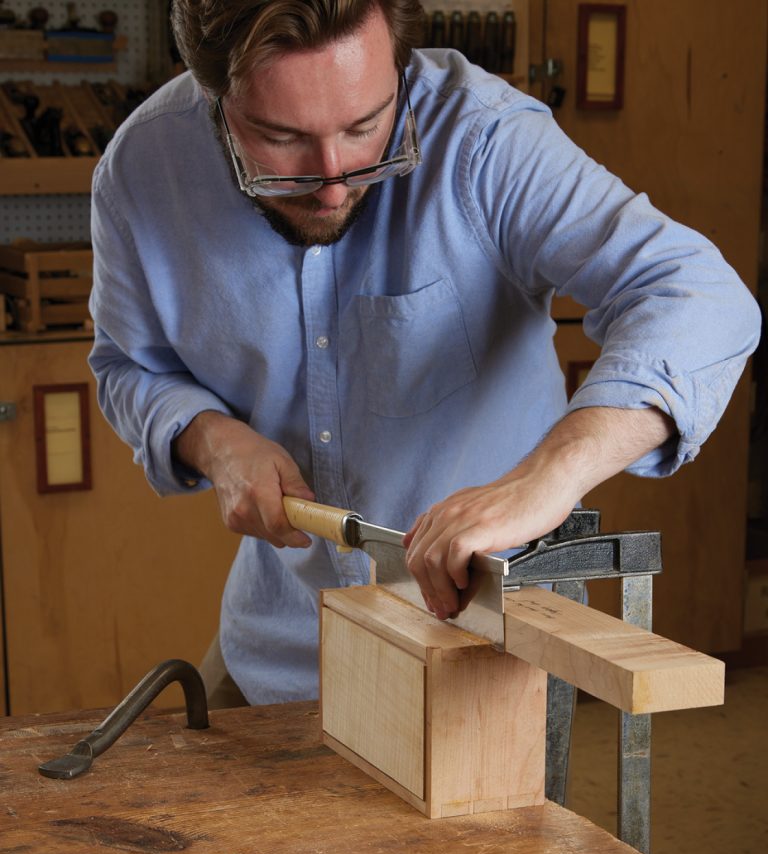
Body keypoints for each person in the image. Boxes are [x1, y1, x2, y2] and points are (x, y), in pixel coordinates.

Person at [88, 0, 761, 706]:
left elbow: (699, 297)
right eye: (280, 137)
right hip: (281, 641)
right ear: (213, 92)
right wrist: (215, 441)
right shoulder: (144, 170)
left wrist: (546, 478)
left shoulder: (487, 140)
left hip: (476, 651)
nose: (335, 180)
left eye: (363, 126)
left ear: (399, 62)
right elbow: (130, 366)